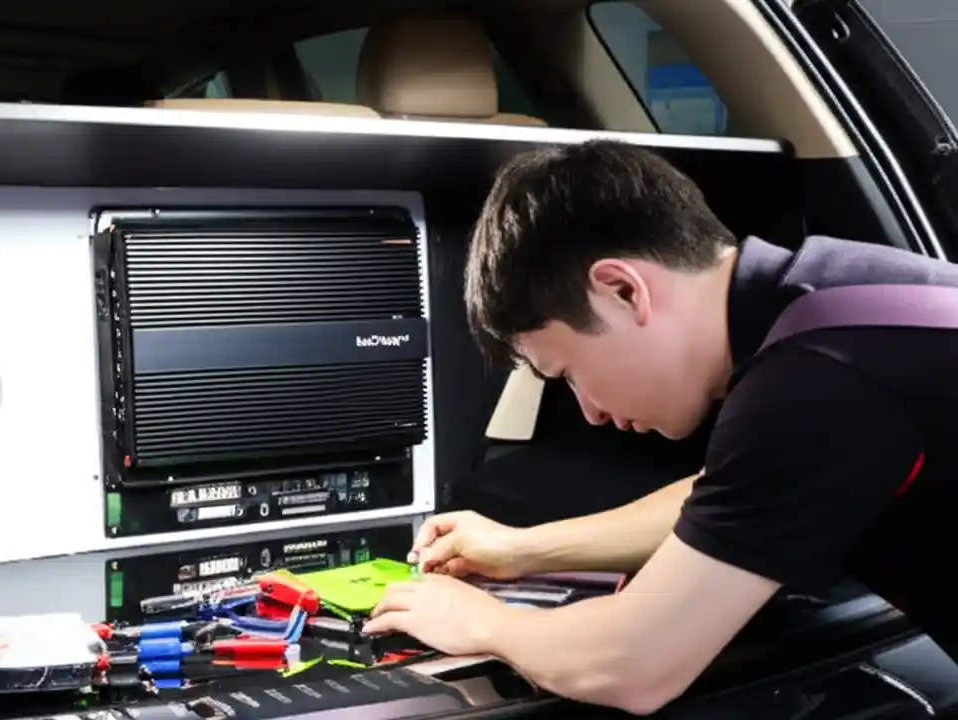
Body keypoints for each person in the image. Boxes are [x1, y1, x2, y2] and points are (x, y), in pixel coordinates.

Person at [361, 140, 958, 714]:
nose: (589, 408)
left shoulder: (814, 381)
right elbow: (732, 492)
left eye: (567, 372)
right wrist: (520, 551)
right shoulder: (834, 296)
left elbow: (630, 666)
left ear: (623, 290)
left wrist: (475, 620)